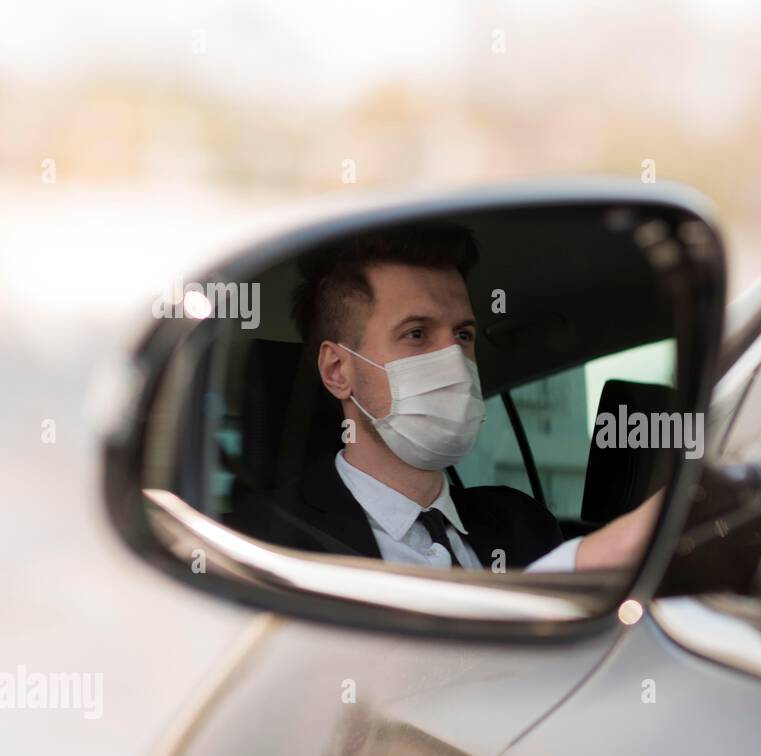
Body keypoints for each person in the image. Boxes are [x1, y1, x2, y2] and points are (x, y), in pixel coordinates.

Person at [241, 224, 658, 571]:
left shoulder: (524, 522)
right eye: (416, 334)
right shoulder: (264, 544)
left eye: (462, 335)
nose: (454, 361)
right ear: (337, 370)